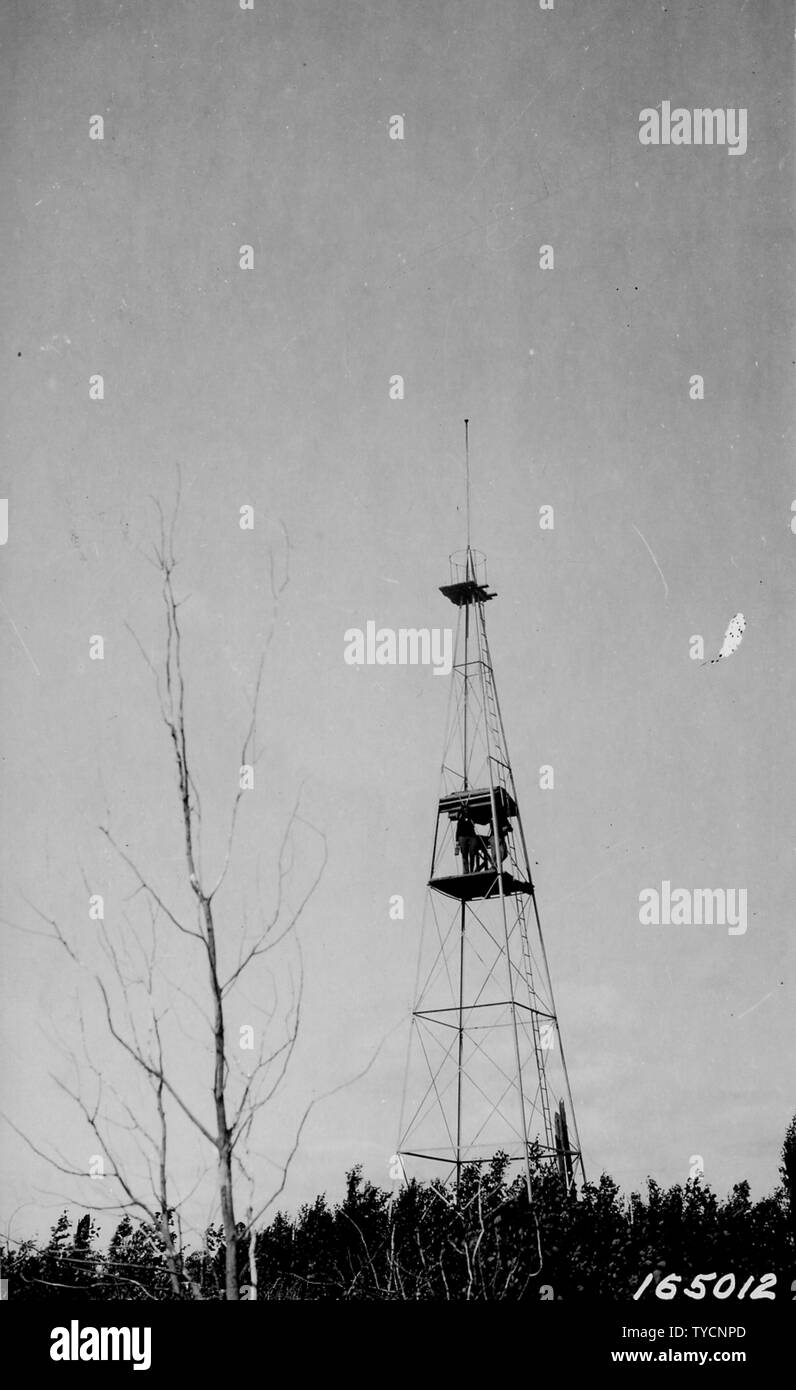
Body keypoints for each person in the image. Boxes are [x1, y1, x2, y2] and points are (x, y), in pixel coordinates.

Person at [455, 802, 480, 874]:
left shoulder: (471, 818)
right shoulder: (460, 819)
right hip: (462, 837)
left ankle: (472, 870)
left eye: (467, 809)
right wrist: (457, 841)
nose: (466, 811)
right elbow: (458, 830)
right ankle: (466, 871)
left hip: (472, 837)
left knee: (472, 853)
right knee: (464, 854)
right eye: (464, 809)